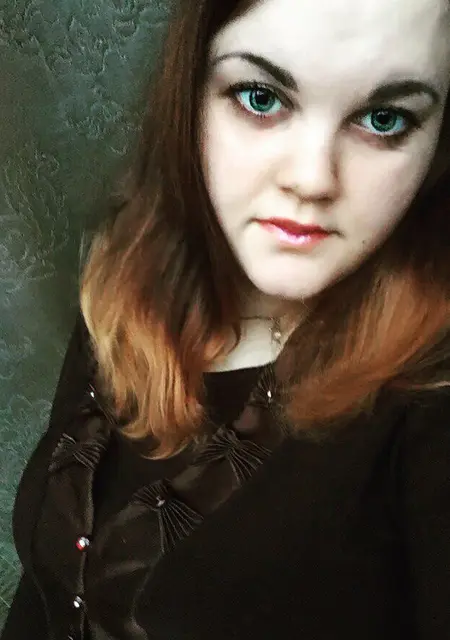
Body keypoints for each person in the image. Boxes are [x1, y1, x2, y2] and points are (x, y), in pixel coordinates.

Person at [3, 0, 450, 637]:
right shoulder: (129, 278)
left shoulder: (430, 397)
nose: (311, 180)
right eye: (261, 99)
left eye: (385, 119)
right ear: (190, 97)